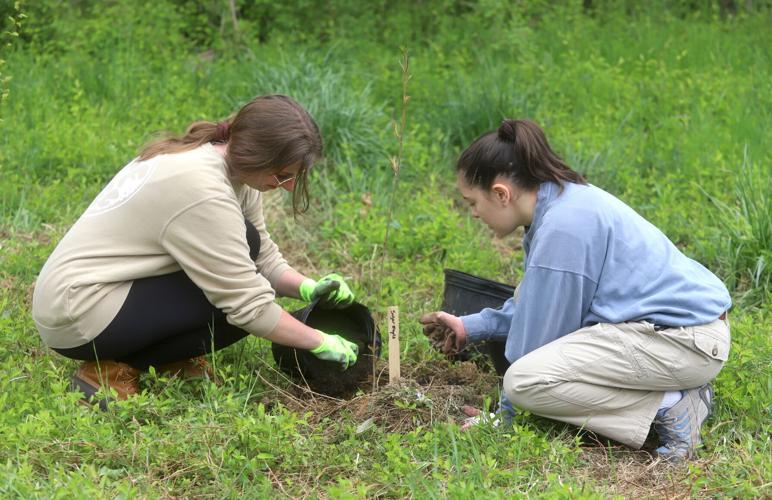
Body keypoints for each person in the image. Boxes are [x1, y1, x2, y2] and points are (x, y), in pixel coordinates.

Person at [420, 119, 731, 461]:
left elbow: (538, 342)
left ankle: (672, 404)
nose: (475, 214)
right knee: (531, 375)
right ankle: (672, 393)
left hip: (685, 343)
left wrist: (504, 418)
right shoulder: (561, 204)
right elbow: (537, 303)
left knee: (523, 382)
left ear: (500, 193)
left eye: (471, 203)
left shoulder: (562, 229)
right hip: (678, 335)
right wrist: (471, 327)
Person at [32, 94, 359, 408]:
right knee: (234, 311)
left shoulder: (233, 168)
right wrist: (319, 340)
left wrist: (307, 287)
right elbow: (249, 306)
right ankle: (109, 370)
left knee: (246, 250)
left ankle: (167, 359)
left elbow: (262, 258)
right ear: (256, 155)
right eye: (283, 175)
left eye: (294, 176)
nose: (288, 186)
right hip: (79, 312)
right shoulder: (202, 190)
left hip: (100, 292)